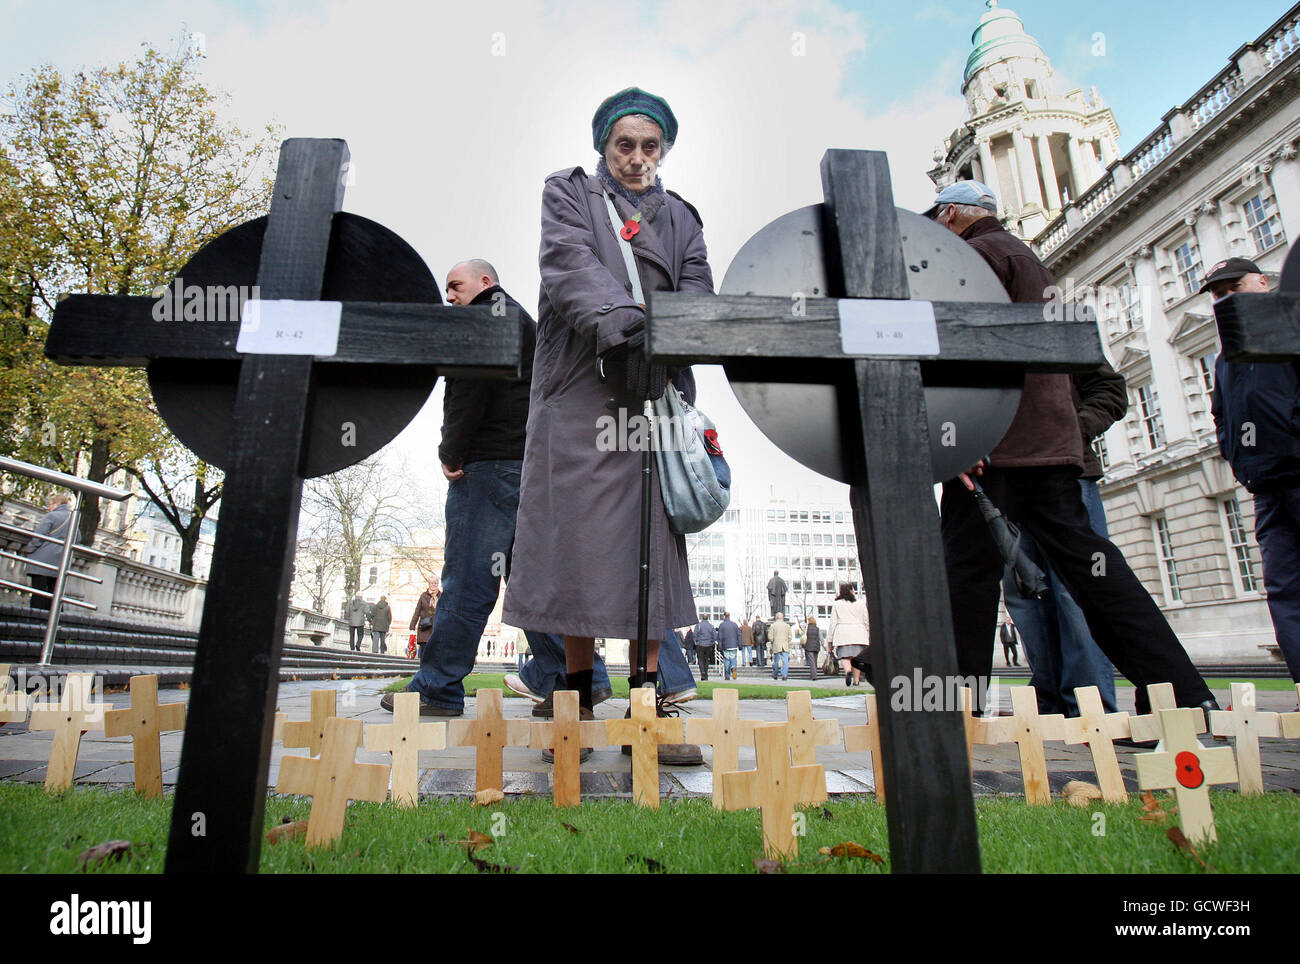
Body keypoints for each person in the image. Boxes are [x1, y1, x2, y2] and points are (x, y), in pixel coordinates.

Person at [925, 180, 1216, 716]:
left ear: (952, 217)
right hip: (1048, 449)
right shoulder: (1022, 256)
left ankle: (947, 710)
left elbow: (966, 353)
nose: (934, 234)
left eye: (937, 221)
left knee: (963, 578)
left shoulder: (978, 257)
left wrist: (958, 439)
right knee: (1094, 572)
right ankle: (1184, 695)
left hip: (997, 447)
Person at [501, 87, 713, 768]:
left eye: (651, 146)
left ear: (664, 151)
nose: (637, 158)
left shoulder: (680, 216)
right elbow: (568, 266)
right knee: (577, 546)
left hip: (652, 399)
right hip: (584, 391)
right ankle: (576, 699)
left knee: (650, 544)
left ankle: (647, 702)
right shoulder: (569, 195)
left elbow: (698, 290)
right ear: (604, 146)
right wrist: (632, 328)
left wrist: (674, 340)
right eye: (625, 144)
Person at [381, 260, 565, 717]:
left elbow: (468, 393)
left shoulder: (484, 316)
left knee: (465, 578)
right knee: (528, 583)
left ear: (486, 282)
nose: (449, 295)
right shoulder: (523, 320)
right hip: (526, 465)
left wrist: (451, 452)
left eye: (455, 285)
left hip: (487, 466)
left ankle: (436, 688)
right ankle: (573, 681)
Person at [1001, 365, 1126, 715]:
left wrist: (1071, 431)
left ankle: (1089, 705)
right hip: (1005, 480)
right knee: (1024, 593)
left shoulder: (1053, 319)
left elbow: (1110, 388)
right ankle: (1049, 699)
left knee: (1075, 590)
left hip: (1068, 474)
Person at [1208, 257, 1300, 683]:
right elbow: (1223, 415)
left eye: (1235, 288)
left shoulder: (1291, 326)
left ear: (1262, 283)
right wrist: (1236, 455)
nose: (1227, 300)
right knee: (1284, 589)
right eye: (1219, 294)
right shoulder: (1225, 358)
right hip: (1264, 485)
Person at [22, 495, 72, 612]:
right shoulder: (72, 519)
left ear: (56, 504)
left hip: (43, 558)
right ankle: (54, 618)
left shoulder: (51, 516)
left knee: (38, 591)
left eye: (50, 504)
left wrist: (29, 549)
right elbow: (77, 538)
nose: (49, 507)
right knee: (54, 592)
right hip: (60, 560)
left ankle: (36, 616)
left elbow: (38, 537)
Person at [827, 584, 869, 686]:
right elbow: (866, 620)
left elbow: (833, 623)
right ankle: (856, 680)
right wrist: (867, 631)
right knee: (857, 658)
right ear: (851, 591)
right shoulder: (861, 603)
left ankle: (847, 671)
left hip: (843, 633)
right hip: (859, 634)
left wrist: (830, 639)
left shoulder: (837, 604)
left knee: (845, 657)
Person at [409, 578, 439, 660]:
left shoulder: (441, 596)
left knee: (434, 653)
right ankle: (422, 669)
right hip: (425, 627)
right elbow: (417, 611)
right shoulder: (423, 596)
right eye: (432, 583)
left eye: (435, 583)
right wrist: (412, 627)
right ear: (429, 584)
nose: (434, 585)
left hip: (436, 628)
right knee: (424, 653)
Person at [692, 614, 717, 681]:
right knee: (706, 660)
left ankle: (702, 672)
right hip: (708, 645)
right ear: (707, 618)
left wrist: (696, 642)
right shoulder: (711, 626)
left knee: (700, 659)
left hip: (700, 645)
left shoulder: (698, 625)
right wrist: (712, 642)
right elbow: (715, 636)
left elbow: (694, 635)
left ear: (702, 618)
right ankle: (705, 674)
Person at [717, 612, 741, 680]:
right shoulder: (735, 625)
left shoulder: (722, 625)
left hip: (726, 645)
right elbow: (739, 635)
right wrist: (740, 644)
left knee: (726, 660)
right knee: (733, 659)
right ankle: (733, 668)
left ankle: (727, 676)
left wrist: (719, 646)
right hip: (733, 645)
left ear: (724, 616)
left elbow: (720, 637)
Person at [768, 613, 791, 681]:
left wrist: (773, 641)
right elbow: (790, 636)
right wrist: (786, 641)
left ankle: (775, 674)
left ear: (776, 618)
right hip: (785, 645)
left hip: (776, 645)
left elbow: (770, 637)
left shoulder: (773, 625)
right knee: (785, 661)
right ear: (782, 618)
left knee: (776, 661)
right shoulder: (787, 625)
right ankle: (784, 675)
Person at [803, 615, 822, 680]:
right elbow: (821, 638)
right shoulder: (817, 629)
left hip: (809, 647)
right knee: (815, 661)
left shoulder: (806, 629)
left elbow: (803, 637)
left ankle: (814, 676)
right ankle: (813, 674)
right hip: (816, 647)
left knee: (812, 661)